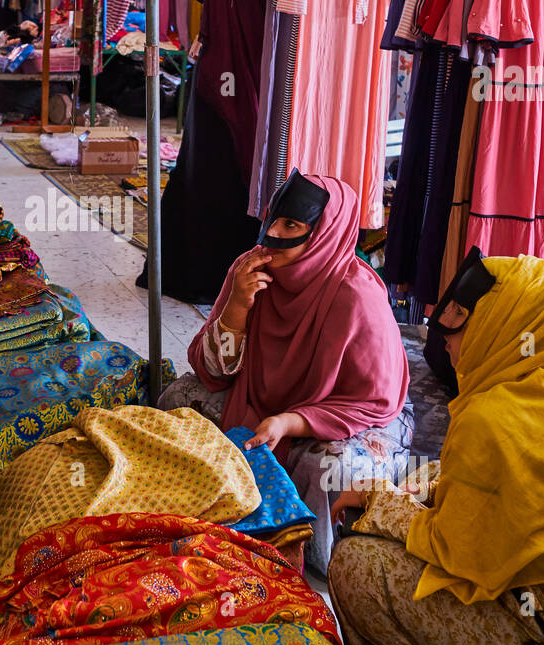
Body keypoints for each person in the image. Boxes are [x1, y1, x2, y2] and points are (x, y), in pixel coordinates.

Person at [327, 253, 544, 645]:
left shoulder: (492, 418)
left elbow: (456, 549)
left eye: (462, 316)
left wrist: (378, 500)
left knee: (355, 563)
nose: (444, 336)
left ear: (503, 325)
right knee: (430, 475)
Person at [159, 170, 411, 574]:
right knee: (177, 399)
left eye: (291, 224)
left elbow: (374, 399)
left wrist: (291, 421)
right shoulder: (250, 270)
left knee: (328, 466)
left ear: (326, 232)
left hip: (349, 411)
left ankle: (314, 559)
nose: (272, 234)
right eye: (271, 219)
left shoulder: (357, 296)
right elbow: (215, 372)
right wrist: (237, 307)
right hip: (258, 394)